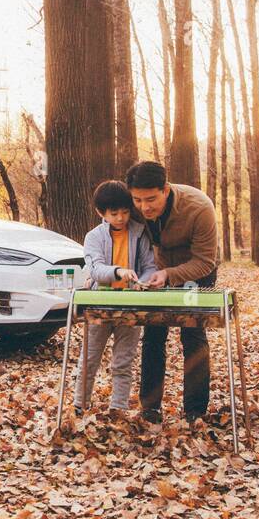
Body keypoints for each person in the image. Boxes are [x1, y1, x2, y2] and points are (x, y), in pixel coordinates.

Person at [123, 160, 220, 424]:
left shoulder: (199, 207)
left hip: (197, 271)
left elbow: (205, 261)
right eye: (138, 200)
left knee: (193, 333)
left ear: (166, 190)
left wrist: (170, 275)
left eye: (151, 199)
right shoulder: (131, 207)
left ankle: (195, 411)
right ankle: (150, 409)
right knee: (153, 333)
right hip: (155, 270)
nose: (144, 207)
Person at [74, 180, 158, 416]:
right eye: (114, 214)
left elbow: (150, 265)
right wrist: (119, 271)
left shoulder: (140, 233)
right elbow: (95, 269)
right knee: (89, 359)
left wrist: (145, 280)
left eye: (124, 212)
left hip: (131, 306)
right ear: (101, 213)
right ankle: (80, 405)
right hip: (100, 305)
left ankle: (118, 409)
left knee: (123, 361)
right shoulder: (94, 237)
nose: (121, 218)